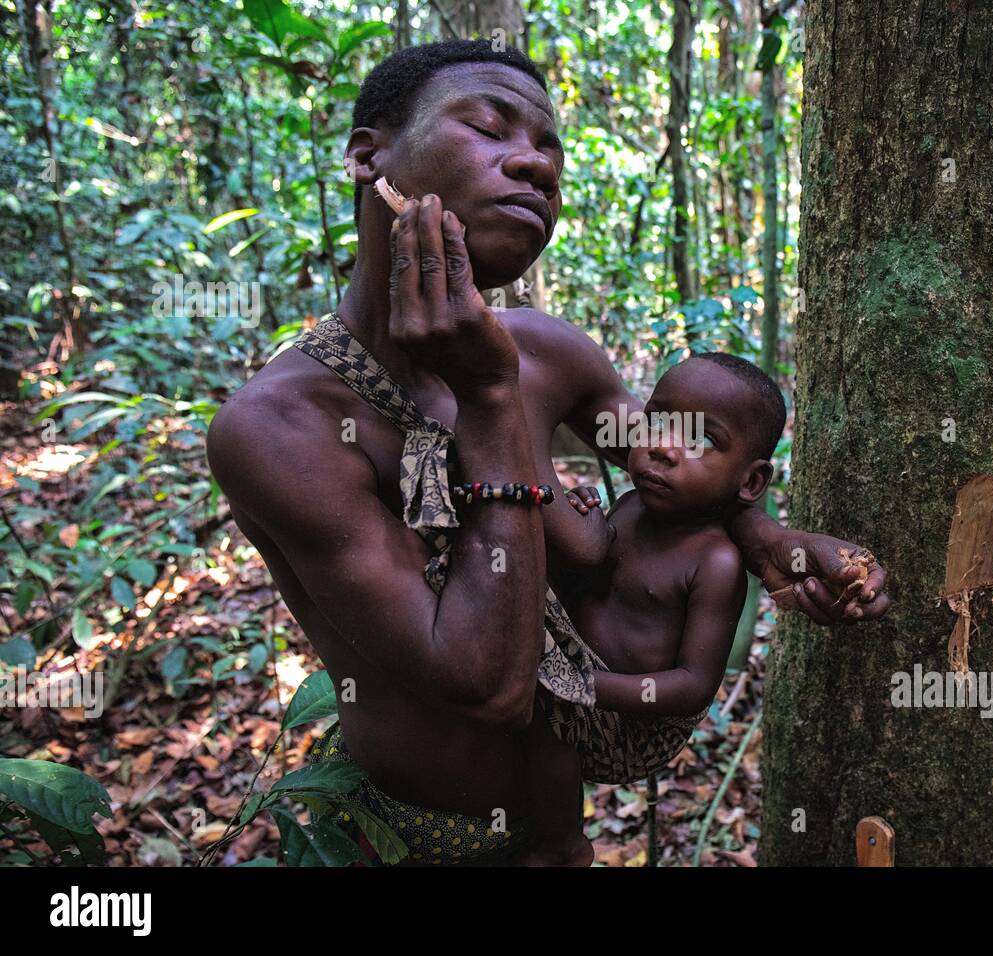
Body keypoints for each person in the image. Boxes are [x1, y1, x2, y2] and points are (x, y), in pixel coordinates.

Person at [206, 39, 888, 866]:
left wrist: (776, 543)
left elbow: (679, 478)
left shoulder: (552, 355)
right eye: (490, 128)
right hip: (416, 840)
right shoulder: (280, 428)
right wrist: (490, 398)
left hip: (558, 836)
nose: (532, 164)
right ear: (368, 154)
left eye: (548, 150)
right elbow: (486, 683)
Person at [518, 353, 787, 865]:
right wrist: (582, 528)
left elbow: (691, 686)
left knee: (543, 721)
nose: (662, 447)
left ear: (750, 483)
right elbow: (584, 588)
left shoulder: (715, 562)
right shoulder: (631, 505)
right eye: (657, 422)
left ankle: (561, 844)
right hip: (575, 673)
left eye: (701, 441)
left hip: (630, 726)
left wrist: (587, 688)